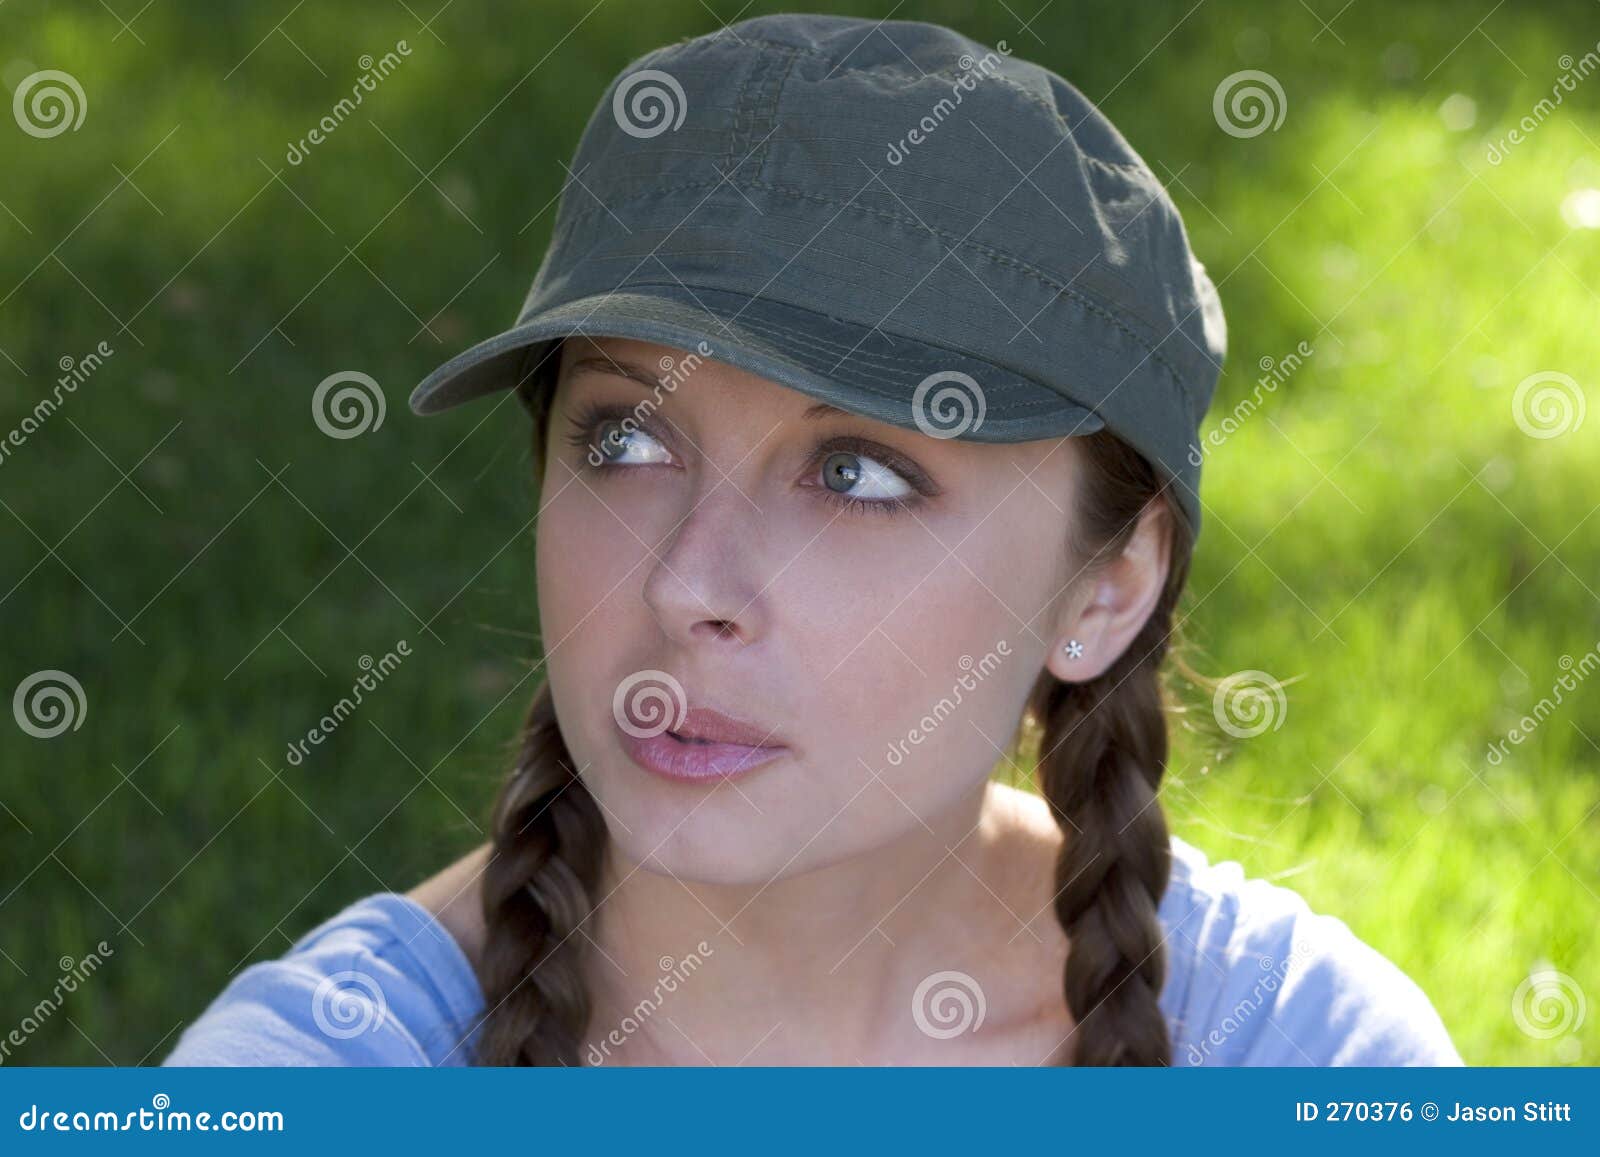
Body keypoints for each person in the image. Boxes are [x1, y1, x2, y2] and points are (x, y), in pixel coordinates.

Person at [163, 13, 1462, 1067]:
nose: (689, 586)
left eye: (858, 472)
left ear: (1109, 583)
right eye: (626, 438)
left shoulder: (1303, 1058)